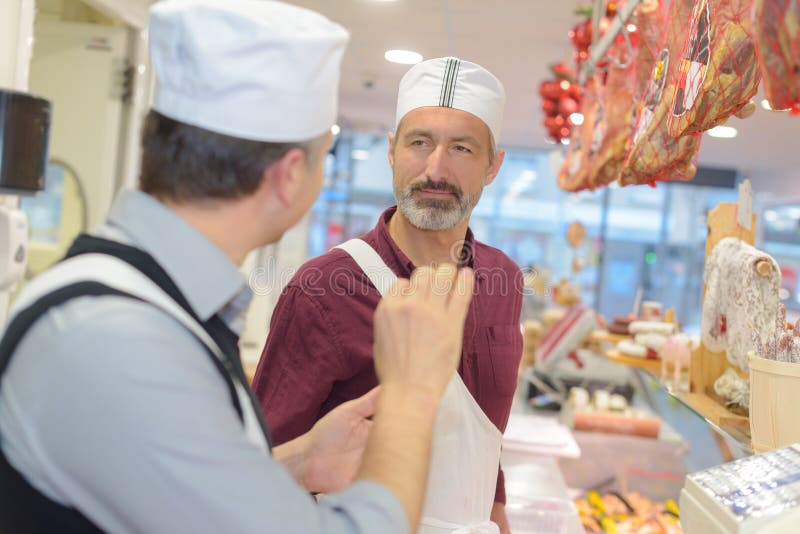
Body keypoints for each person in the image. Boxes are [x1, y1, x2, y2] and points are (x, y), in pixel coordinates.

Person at [0, 1, 475, 532]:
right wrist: (412, 394)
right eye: (326, 153)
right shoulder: (113, 335)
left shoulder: (147, 308)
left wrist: (300, 461)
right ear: (289, 175)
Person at [253, 57, 524, 533]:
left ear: (493, 166)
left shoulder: (503, 280)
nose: (435, 169)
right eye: (420, 142)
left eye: (462, 148)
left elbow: (483, 438)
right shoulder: (322, 291)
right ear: (393, 151)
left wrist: (498, 517)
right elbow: (260, 468)